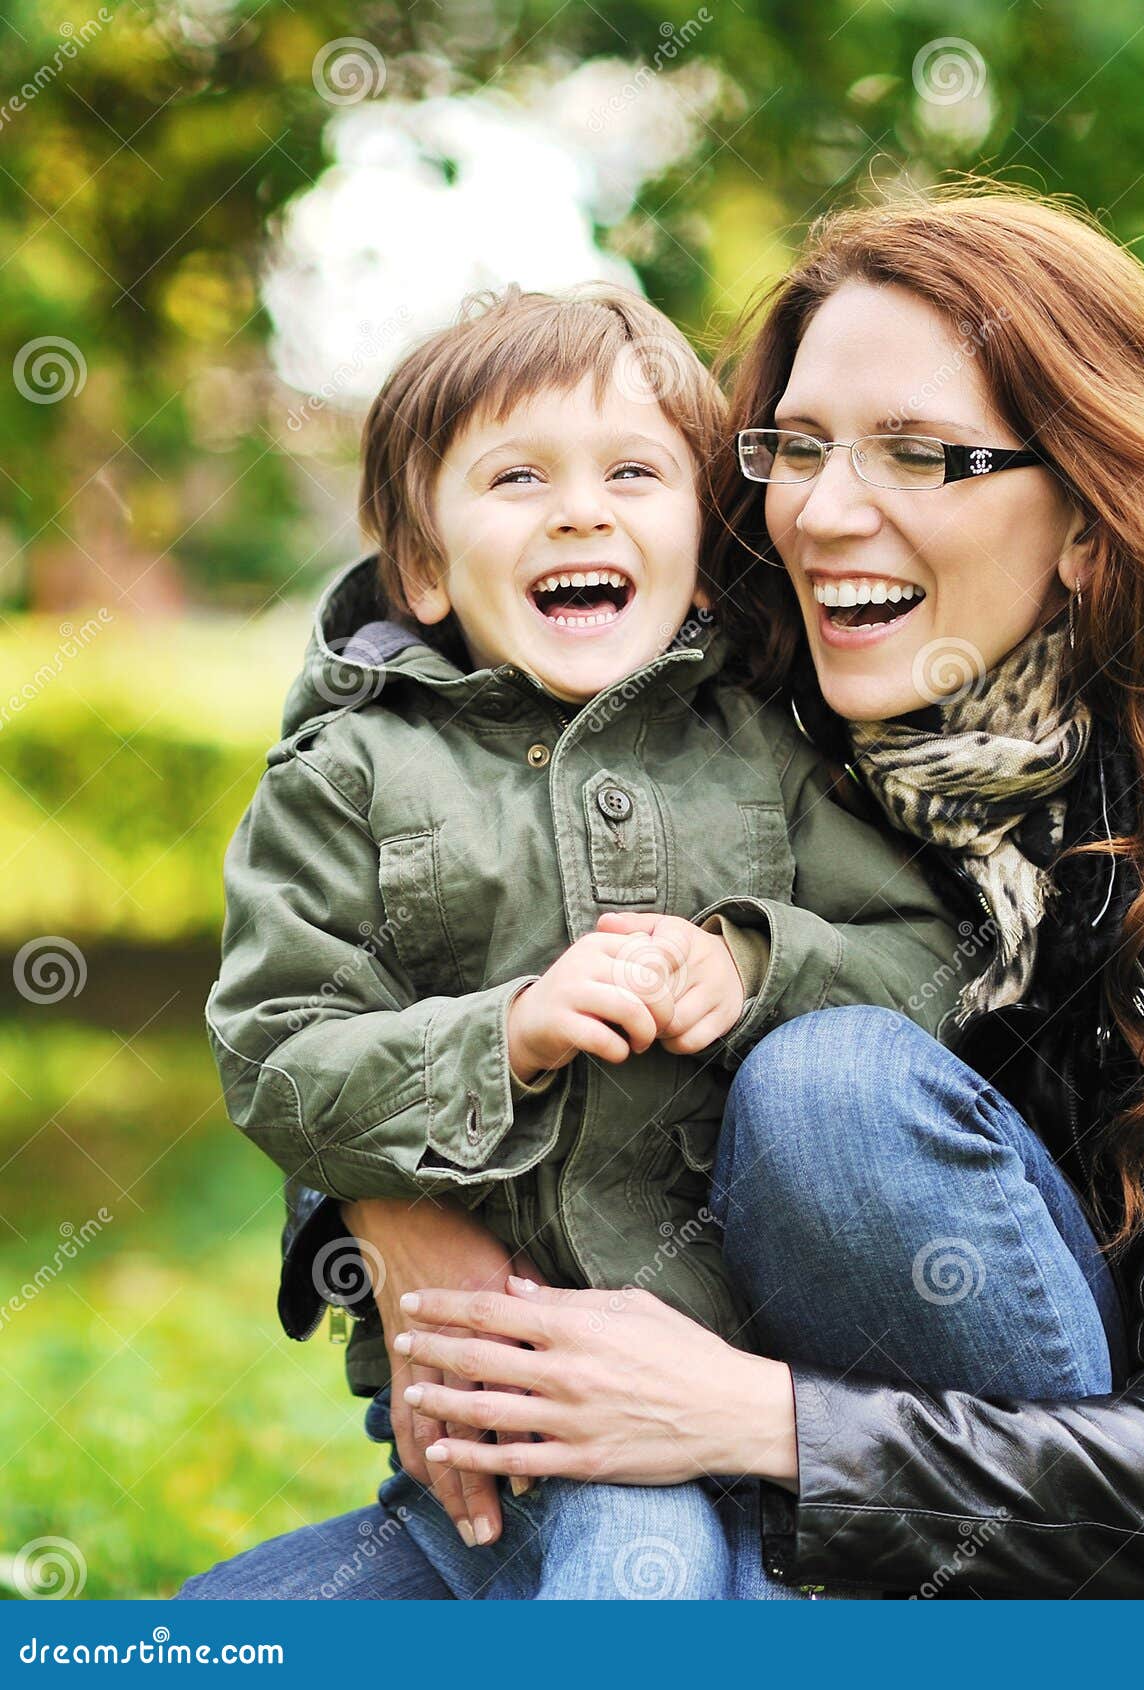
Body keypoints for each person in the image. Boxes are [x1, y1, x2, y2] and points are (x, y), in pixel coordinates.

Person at [197, 182, 1144, 1599]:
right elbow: (382, 921)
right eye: (796, 447)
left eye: (923, 454)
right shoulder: (722, 696)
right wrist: (382, 1209)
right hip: (699, 1491)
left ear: (1086, 519)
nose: (822, 508)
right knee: (231, 1627)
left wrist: (749, 1414)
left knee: (830, 1089)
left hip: (1104, 1550)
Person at [185, 283, 977, 1600]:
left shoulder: (758, 746)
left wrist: (751, 963)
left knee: (644, 1582)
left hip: (750, 1369)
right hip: (527, 1414)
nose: (579, 509)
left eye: (632, 471)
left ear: (705, 541)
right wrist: (505, 1035)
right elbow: (275, 1056)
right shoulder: (352, 777)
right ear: (425, 566)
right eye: (516, 476)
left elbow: (928, 961)